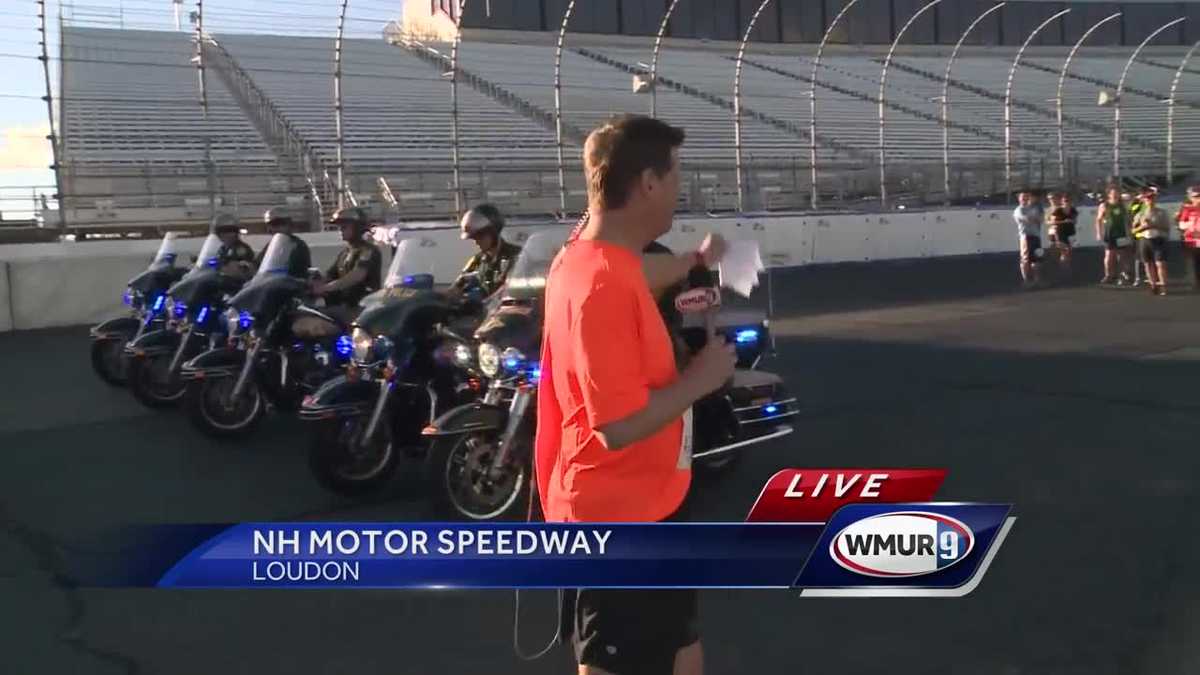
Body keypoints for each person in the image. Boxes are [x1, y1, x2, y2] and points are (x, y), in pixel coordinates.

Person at [534, 115, 733, 675]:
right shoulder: (600, 286)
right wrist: (703, 377)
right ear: (648, 182)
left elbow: (647, 272)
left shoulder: (589, 257)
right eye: (674, 179)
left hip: (655, 503)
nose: (678, 193)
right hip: (617, 521)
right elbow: (616, 426)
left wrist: (696, 262)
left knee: (680, 648)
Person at [311, 207, 381, 322]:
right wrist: (310, 284)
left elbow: (356, 276)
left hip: (361, 307)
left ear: (358, 227)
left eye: (344, 227)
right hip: (345, 306)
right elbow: (329, 275)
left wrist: (326, 288)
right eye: (340, 227)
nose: (341, 230)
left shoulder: (368, 251)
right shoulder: (345, 253)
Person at [451, 203, 521, 299]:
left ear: (493, 232)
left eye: (480, 236)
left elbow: (513, 291)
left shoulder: (517, 257)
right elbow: (457, 285)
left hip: (504, 311)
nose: (476, 242)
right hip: (481, 311)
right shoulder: (477, 260)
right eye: (473, 238)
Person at [1131, 189, 1172, 296]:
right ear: (1144, 200)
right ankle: (1153, 285)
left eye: (1152, 197)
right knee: (1147, 264)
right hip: (1145, 240)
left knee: (1160, 263)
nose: (1150, 200)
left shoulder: (1161, 212)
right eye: (1147, 198)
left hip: (1158, 239)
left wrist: (1153, 226)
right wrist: (1142, 227)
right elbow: (1133, 230)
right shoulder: (1140, 214)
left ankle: (1163, 286)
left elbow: (1167, 227)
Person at [255, 206, 312, 278]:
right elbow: (258, 264)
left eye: (278, 224)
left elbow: (297, 271)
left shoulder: (297, 245)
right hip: (271, 284)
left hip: (290, 285)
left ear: (289, 225)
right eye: (271, 225)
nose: (272, 229)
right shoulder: (270, 246)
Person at [1095, 186, 1133, 285]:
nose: (1115, 195)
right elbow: (1098, 220)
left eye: (1117, 193)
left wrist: (1129, 232)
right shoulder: (1104, 206)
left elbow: (1128, 220)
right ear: (1109, 195)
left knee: (1122, 255)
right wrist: (1099, 233)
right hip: (1110, 233)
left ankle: (1124, 273)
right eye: (1113, 193)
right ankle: (1109, 275)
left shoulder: (1123, 205)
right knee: (1109, 255)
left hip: (1121, 233)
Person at [211, 214, 256, 281]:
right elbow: (216, 262)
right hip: (223, 284)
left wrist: (221, 267)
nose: (228, 234)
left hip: (237, 286)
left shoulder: (241, 249)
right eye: (223, 231)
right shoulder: (223, 248)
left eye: (232, 230)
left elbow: (239, 270)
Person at [1014, 191, 1043, 288]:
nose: (1025, 199)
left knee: (1037, 258)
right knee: (1026, 259)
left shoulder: (1034, 208)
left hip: (1036, 236)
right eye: (1023, 198)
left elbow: (1040, 219)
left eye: (1026, 197)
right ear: (1019, 199)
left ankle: (1037, 280)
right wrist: (1035, 218)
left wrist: (1035, 218)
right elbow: (1028, 219)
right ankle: (1026, 280)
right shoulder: (1019, 210)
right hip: (1026, 236)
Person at [1046, 192, 1077, 275]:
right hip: (1059, 232)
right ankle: (1062, 270)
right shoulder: (1057, 210)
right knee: (1062, 251)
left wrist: (1071, 221)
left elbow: (1074, 220)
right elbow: (1051, 222)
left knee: (1068, 252)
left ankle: (1066, 268)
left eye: (1068, 200)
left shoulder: (1073, 209)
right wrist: (1064, 221)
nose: (1066, 202)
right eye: (1065, 200)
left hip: (1069, 232)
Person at [1129, 186, 1155, 286]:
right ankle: (1138, 278)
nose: (1148, 197)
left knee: (1150, 257)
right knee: (1138, 257)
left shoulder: (1150, 203)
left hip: (1149, 234)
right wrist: (1138, 201)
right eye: (1146, 195)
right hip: (1139, 234)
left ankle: (1150, 277)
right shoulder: (1136, 204)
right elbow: (1134, 213)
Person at [1176, 185, 1200, 289]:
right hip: (1191, 240)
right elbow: (1181, 224)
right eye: (1196, 196)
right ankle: (1195, 282)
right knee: (1193, 262)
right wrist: (1191, 225)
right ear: (1190, 197)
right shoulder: (1187, 209)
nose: (1198, 198)